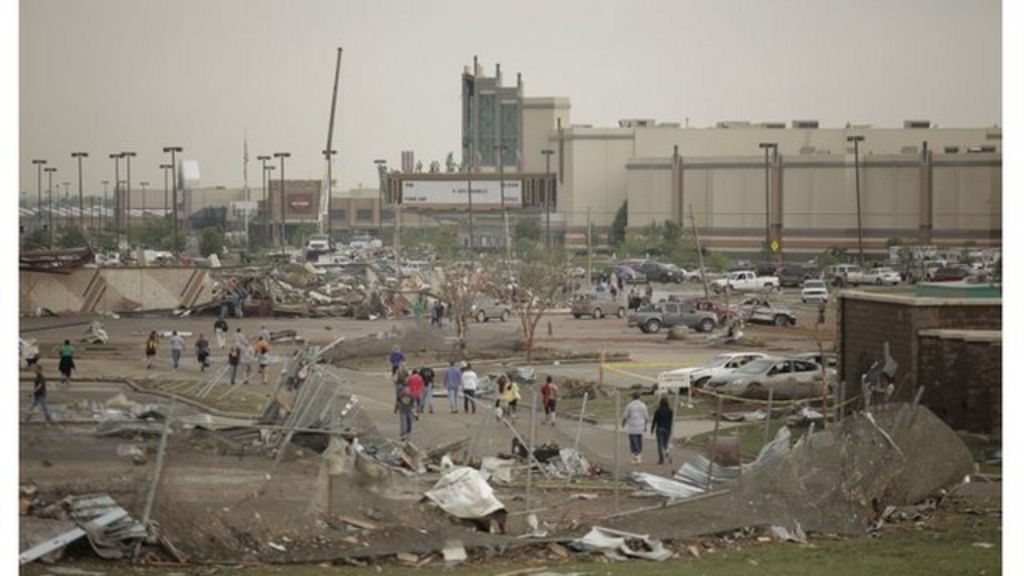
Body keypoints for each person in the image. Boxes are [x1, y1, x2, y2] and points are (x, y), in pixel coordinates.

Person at [622, 391, 649, 465]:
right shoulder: (643, 405)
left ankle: (637, 457)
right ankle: (637, 457)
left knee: (634, 443)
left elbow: (625, 416)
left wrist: (623, 423)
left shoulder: (630, 405)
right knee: (639, 442)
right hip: (640, 426)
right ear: (639, 397)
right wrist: (645, 426)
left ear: (632, 397)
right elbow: (646, 417)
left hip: (632, 427)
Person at [651, 396, 674, 465]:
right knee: (665, 444)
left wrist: (652, 428)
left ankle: (661, 459)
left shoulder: (658, 410)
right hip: (667, 429)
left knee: (660, 444)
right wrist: (670, 430)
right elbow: (671, 421)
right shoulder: (670, 411)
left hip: (659, 428)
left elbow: (654, 420)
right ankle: (667, 455)